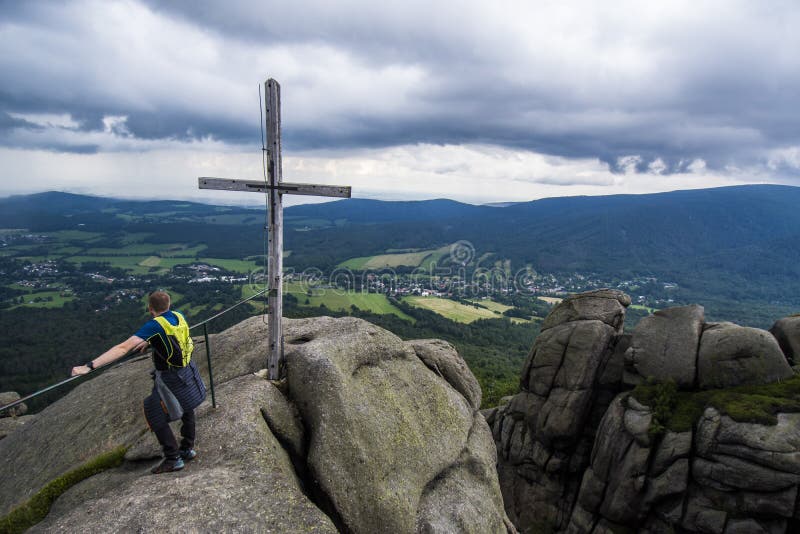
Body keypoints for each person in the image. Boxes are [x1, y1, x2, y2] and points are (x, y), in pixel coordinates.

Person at [71, 290, 207, 474]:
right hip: (186, 369)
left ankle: (173, 458)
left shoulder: (155, 325)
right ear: (169, 304)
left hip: (170, 376)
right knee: (187, 405)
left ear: (150, 309)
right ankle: (187, 448)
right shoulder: (178, 315)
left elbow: (123, 348)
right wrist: (151, 342)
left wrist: (89, 366)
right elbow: (174, 337)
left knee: (153, 412)